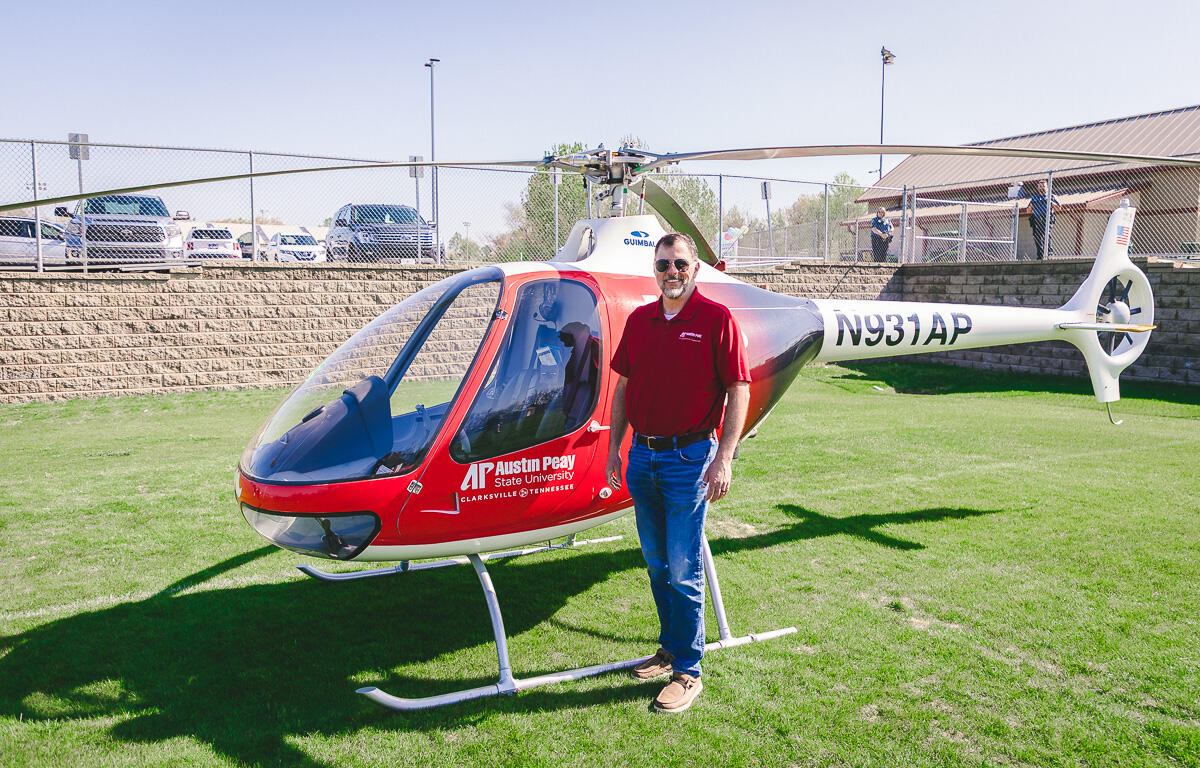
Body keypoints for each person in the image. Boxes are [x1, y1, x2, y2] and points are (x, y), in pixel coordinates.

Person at [606, 232, 751, 713]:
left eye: (681, 264)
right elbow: (624, 387)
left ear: (695, 269)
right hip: (643, 457)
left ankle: (689, 671)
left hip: (689, 460)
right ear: (655, 269)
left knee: (684, 566)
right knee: (656, 562)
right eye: (664, 264)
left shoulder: (716, 320)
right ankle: (671, 647)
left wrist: (724, 457)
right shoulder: (641, 320)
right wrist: (613, 450)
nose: (672, 272)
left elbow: (738, 389)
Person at [1026, 181, 1061, 260]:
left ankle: (1049, 255)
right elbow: (1028, 211)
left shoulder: (1051, 196)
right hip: (1037, 220)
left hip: (1047, 220)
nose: (1041, 188)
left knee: (1047, 236)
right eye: (1040, 186)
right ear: (1037, 188)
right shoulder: (1035, 198)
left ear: (1047, 187)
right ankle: (1040, 256)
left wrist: (1050, 202)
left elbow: (1059, 208)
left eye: (1043, 186)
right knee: (1037, 237)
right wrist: (1031, 206)